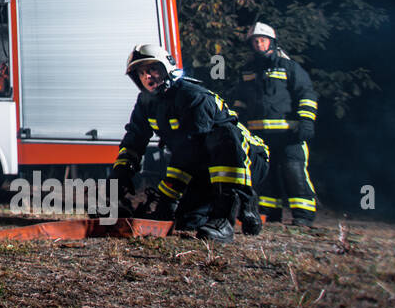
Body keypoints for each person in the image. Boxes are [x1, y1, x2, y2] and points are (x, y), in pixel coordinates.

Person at [111, 44, 257, 242]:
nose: (147, 77)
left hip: (246, 159)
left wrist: (167, 195)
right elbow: (134, 139)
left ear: (167, 67)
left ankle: (226, 219)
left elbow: (192, 151)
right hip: (205, 168)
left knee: (221, 134)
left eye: (152, 69)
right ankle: (228, 210)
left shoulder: (192, 96)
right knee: (187, 221)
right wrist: (120, 175)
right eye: (142, 73)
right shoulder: (146, 102)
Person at [227, 22, 318, 225]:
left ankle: (303, 215)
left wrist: (306, 121)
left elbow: (306, 95)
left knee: (293, 172)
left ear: (272, 42)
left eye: (263, 40)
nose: (259, 44)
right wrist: (237, 121)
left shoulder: (289, 67)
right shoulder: (248, 71)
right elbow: (240, 99)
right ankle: (270, 213)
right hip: (259, 135)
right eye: (255, 41)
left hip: (288, 134)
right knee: (265, 176)